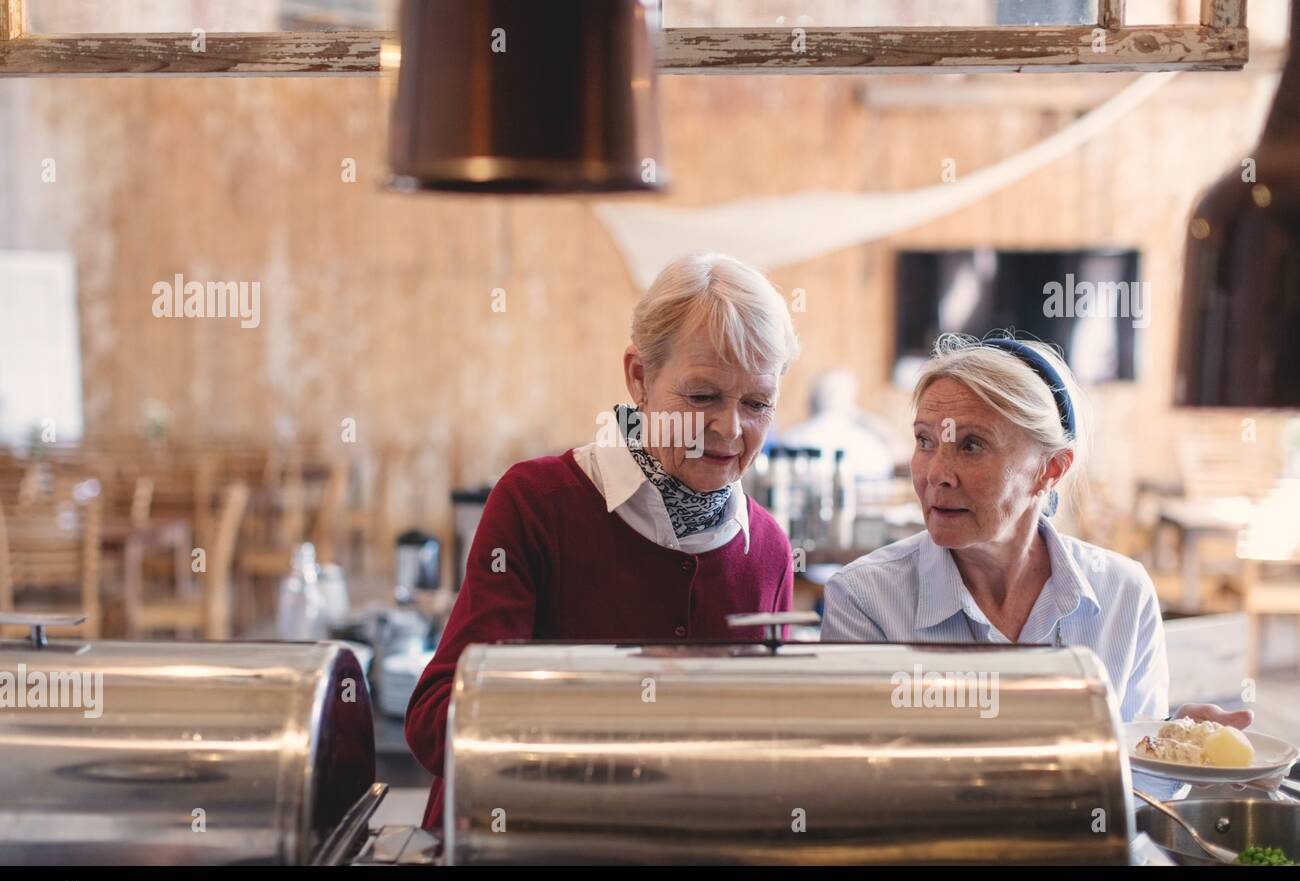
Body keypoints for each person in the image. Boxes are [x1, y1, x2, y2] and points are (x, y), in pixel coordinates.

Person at [406, 251, 802, 829]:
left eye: (757, 404)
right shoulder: (538, 504)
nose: (729, 429)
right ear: (639, 377)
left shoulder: (765, 549)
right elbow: (437, 720)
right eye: (701, 397)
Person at [820, 333, 1251, 739]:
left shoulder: (1122, 593)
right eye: (925, 441)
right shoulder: (865, 599)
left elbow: (1139, 787)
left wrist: (1176, 740)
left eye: (971, 445)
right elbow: (857, 785)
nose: (936, 474)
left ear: (1051, 470)